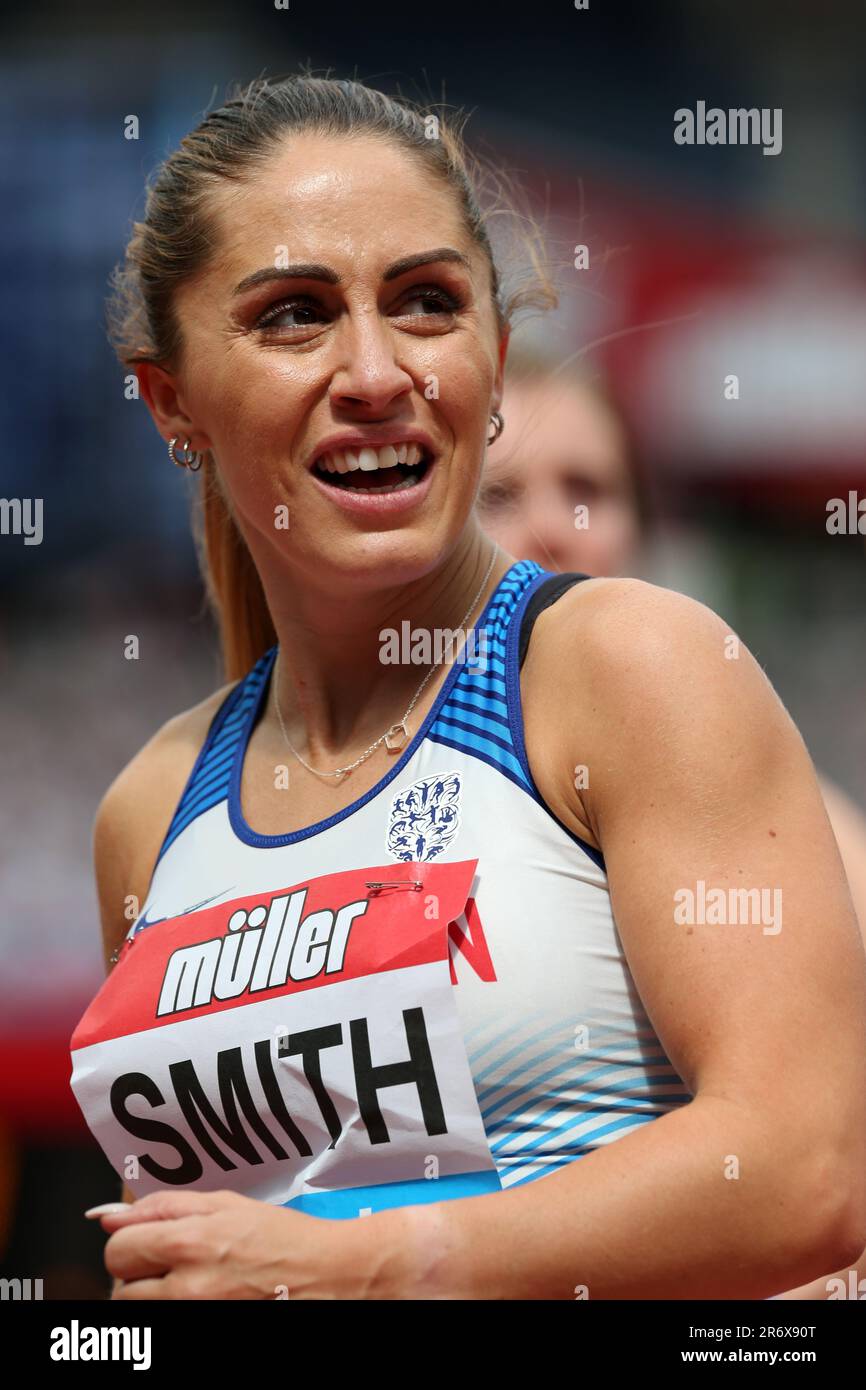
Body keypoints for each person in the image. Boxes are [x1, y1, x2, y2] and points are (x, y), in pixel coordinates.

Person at [72, 73, 866, 1301]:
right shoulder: (150, 813)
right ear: (171, 399)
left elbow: (801, 1170)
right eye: (293, 314)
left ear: (493, 358)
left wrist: (372, 1264)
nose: (375, 370)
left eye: (426, 302)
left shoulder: (623, 668)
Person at [481, 341, 866, 1300]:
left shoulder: (798, 824)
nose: (548, 527)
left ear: (645, 533)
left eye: (588, 490)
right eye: (501, 493)